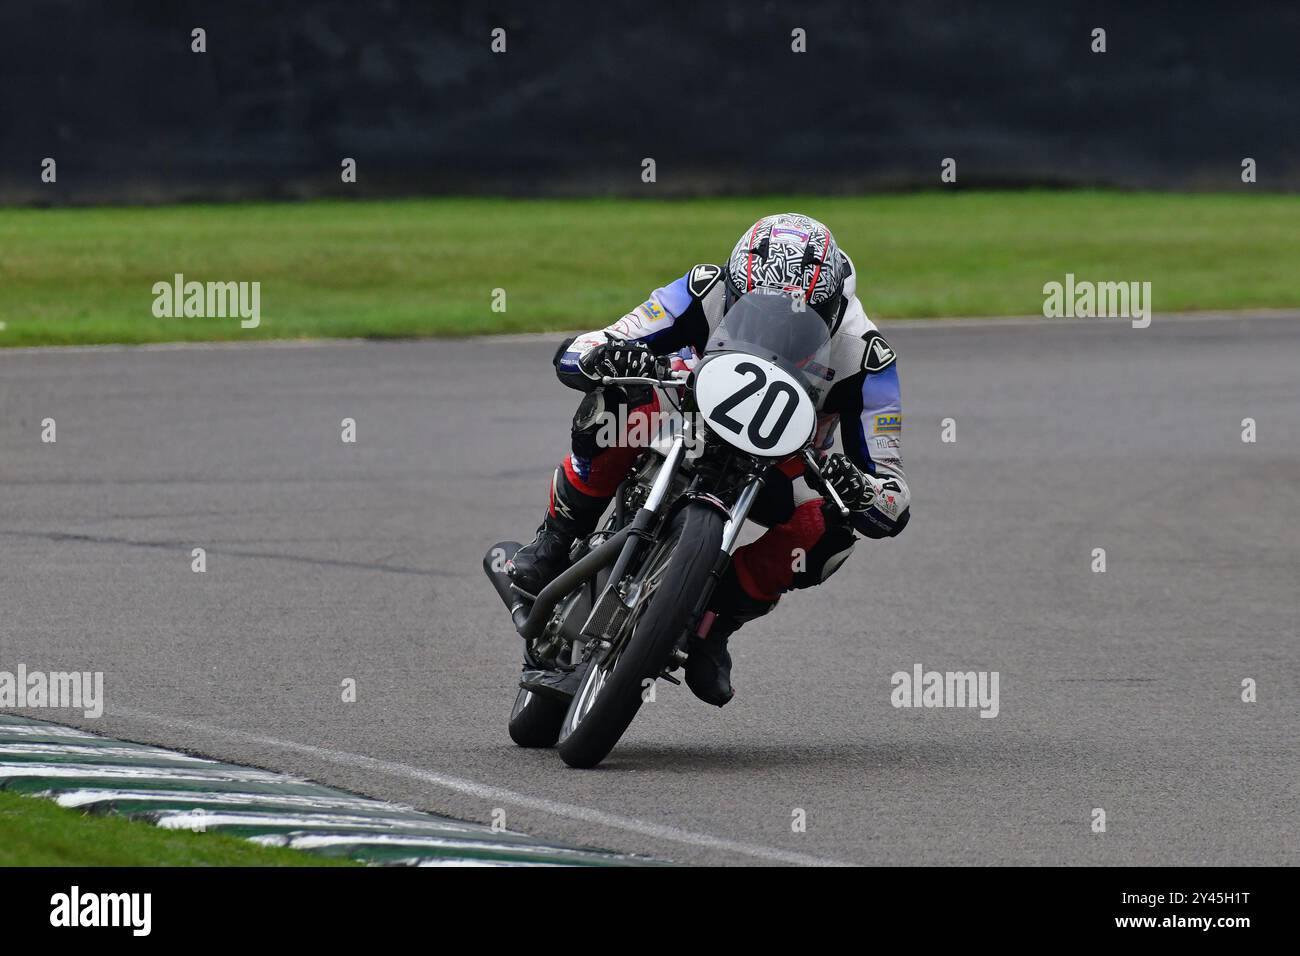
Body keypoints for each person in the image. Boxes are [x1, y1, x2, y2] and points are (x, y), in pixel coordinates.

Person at [508, 213, 911, 706]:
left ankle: (715, 625)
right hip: (686, 407)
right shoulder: (703, 287)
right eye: (756, 311)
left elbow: (893, 493)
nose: (774, 329)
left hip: (780, 461)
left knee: (831, 532)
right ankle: (555, 537)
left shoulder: (866, 357)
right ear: (735, 290)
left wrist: (863, 491)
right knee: (617, 405)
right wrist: (605, 357)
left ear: (831, 312)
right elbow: (592, 343)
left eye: (794, 322)